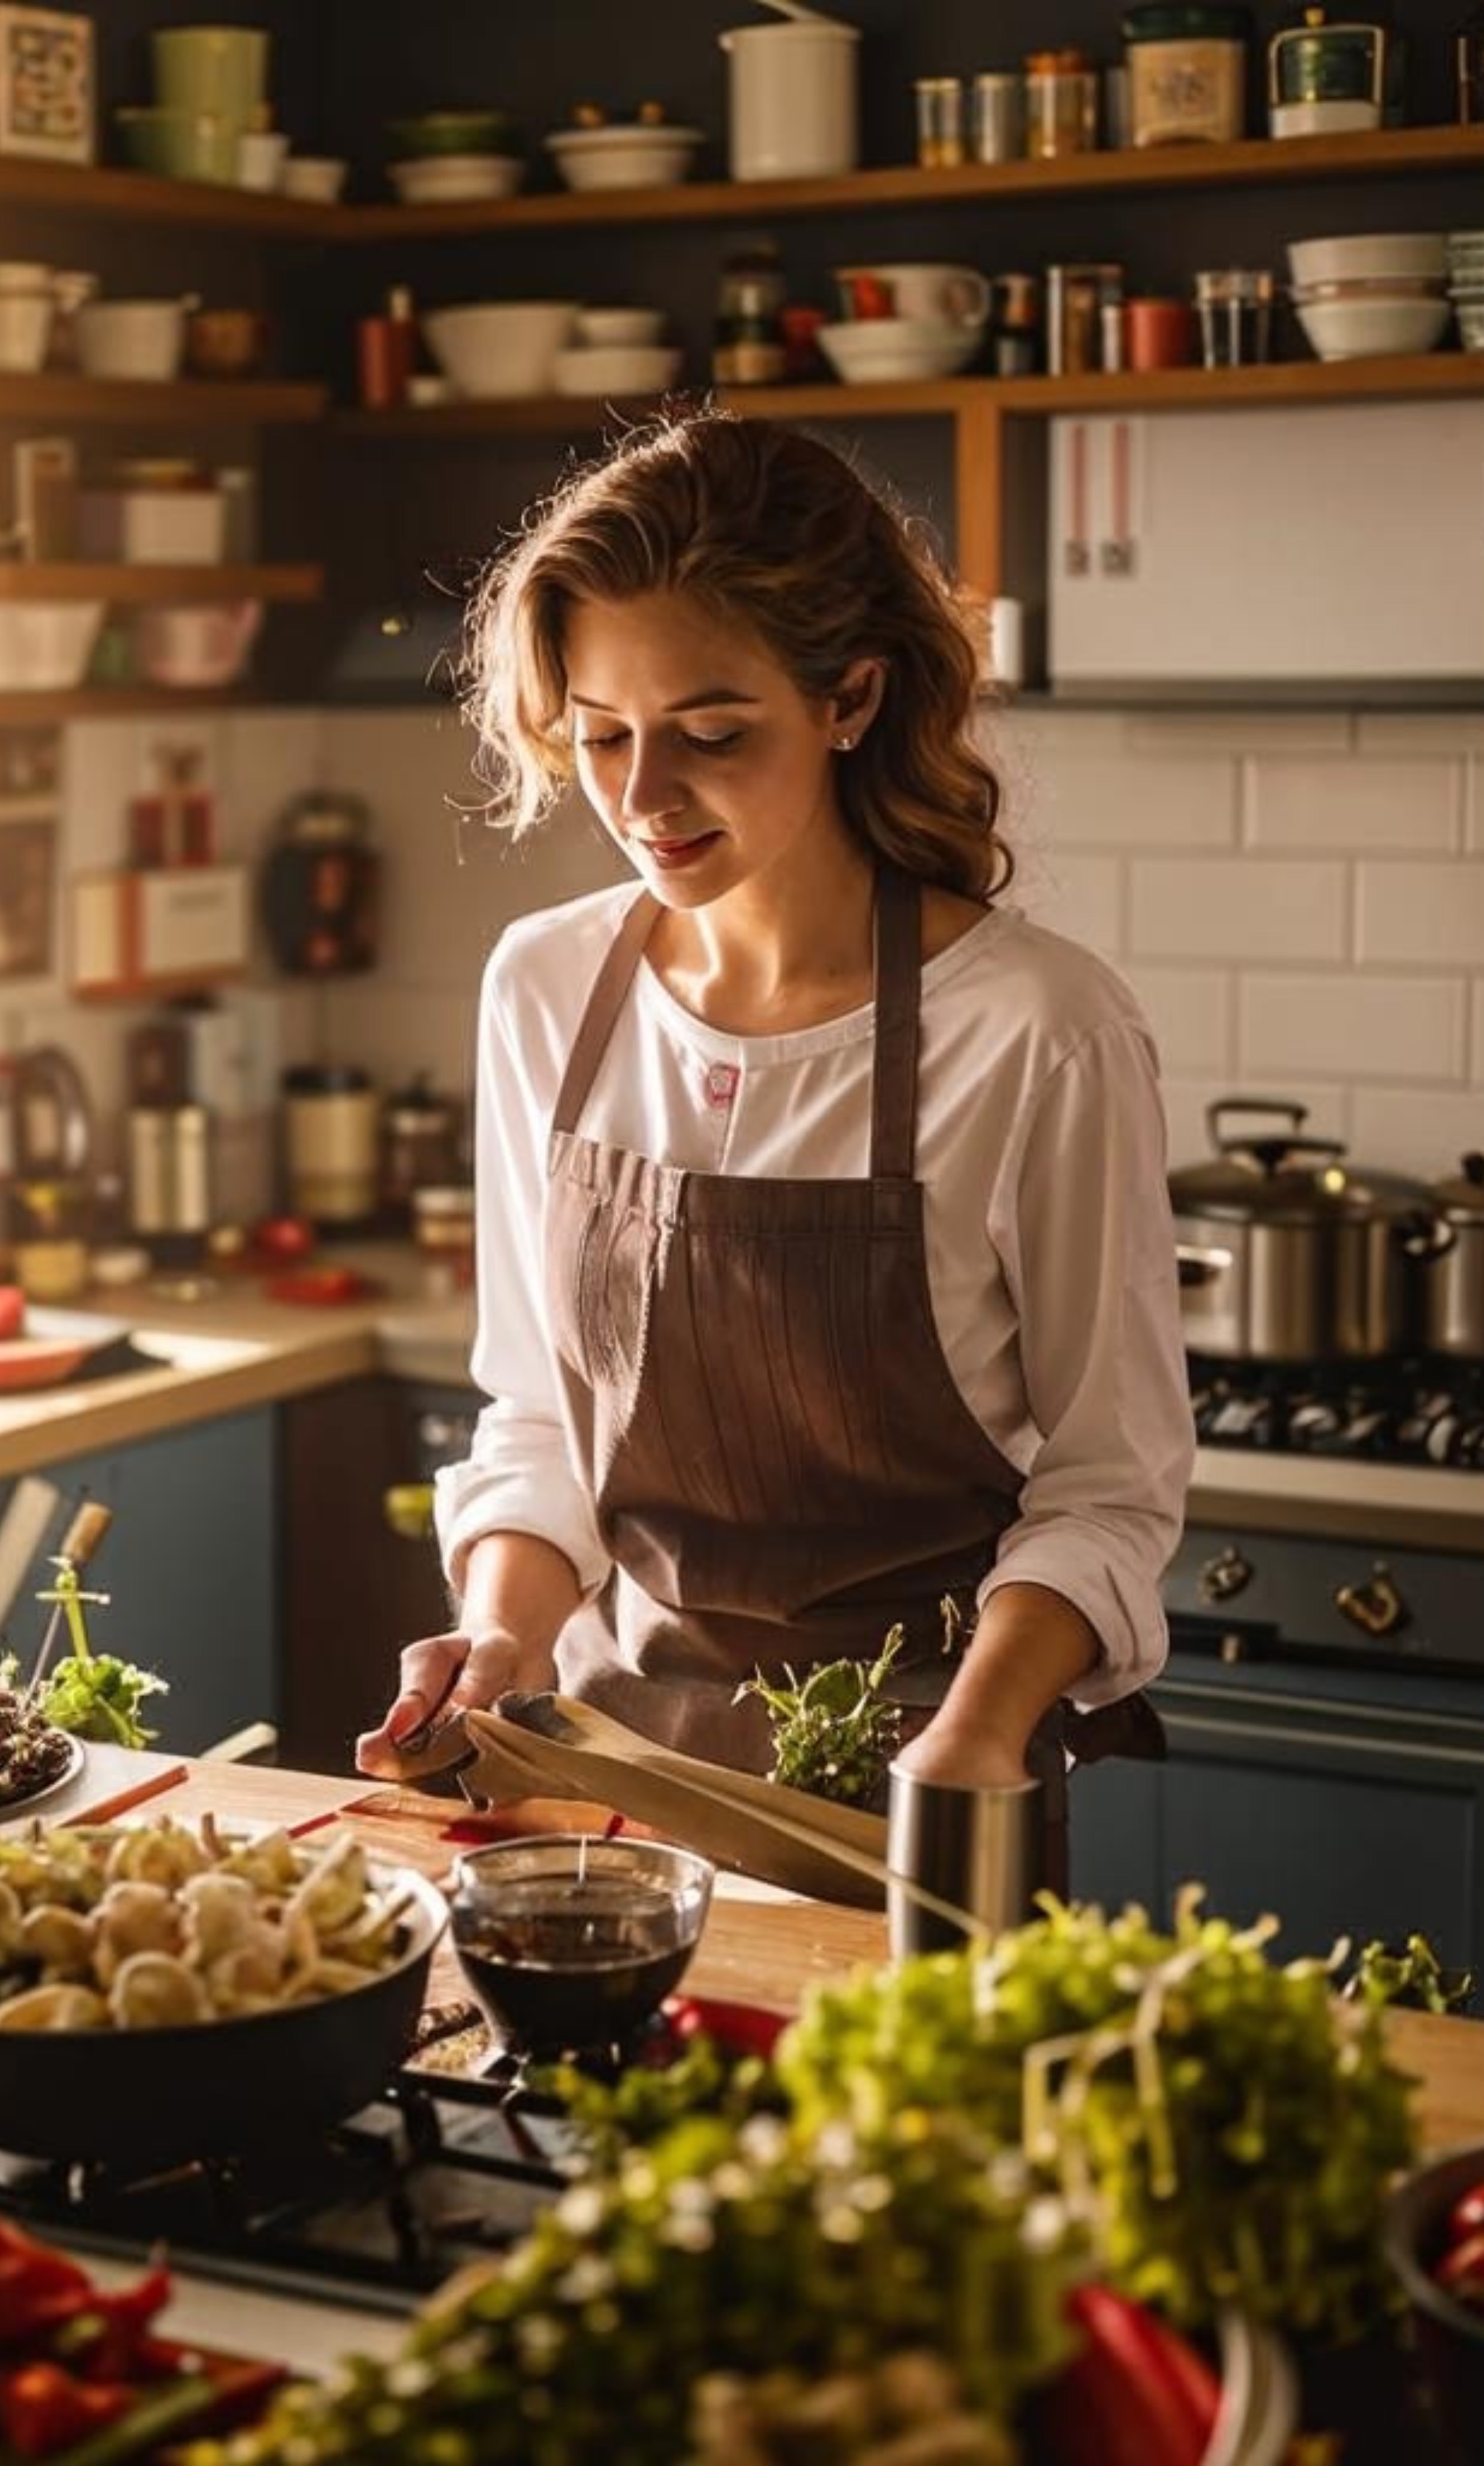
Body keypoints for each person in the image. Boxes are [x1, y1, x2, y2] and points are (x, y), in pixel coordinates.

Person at [353, 409, 1192, 1798]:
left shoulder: (1040, 1030)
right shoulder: (548, 990)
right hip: (605, 1772)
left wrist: (972, 1742)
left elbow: (1109, 1492)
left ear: (850, 700)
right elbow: (541, 1416)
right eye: (603, 734)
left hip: (932, 1776)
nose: (642, 796)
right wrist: (500, 1632)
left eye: (711, 733)